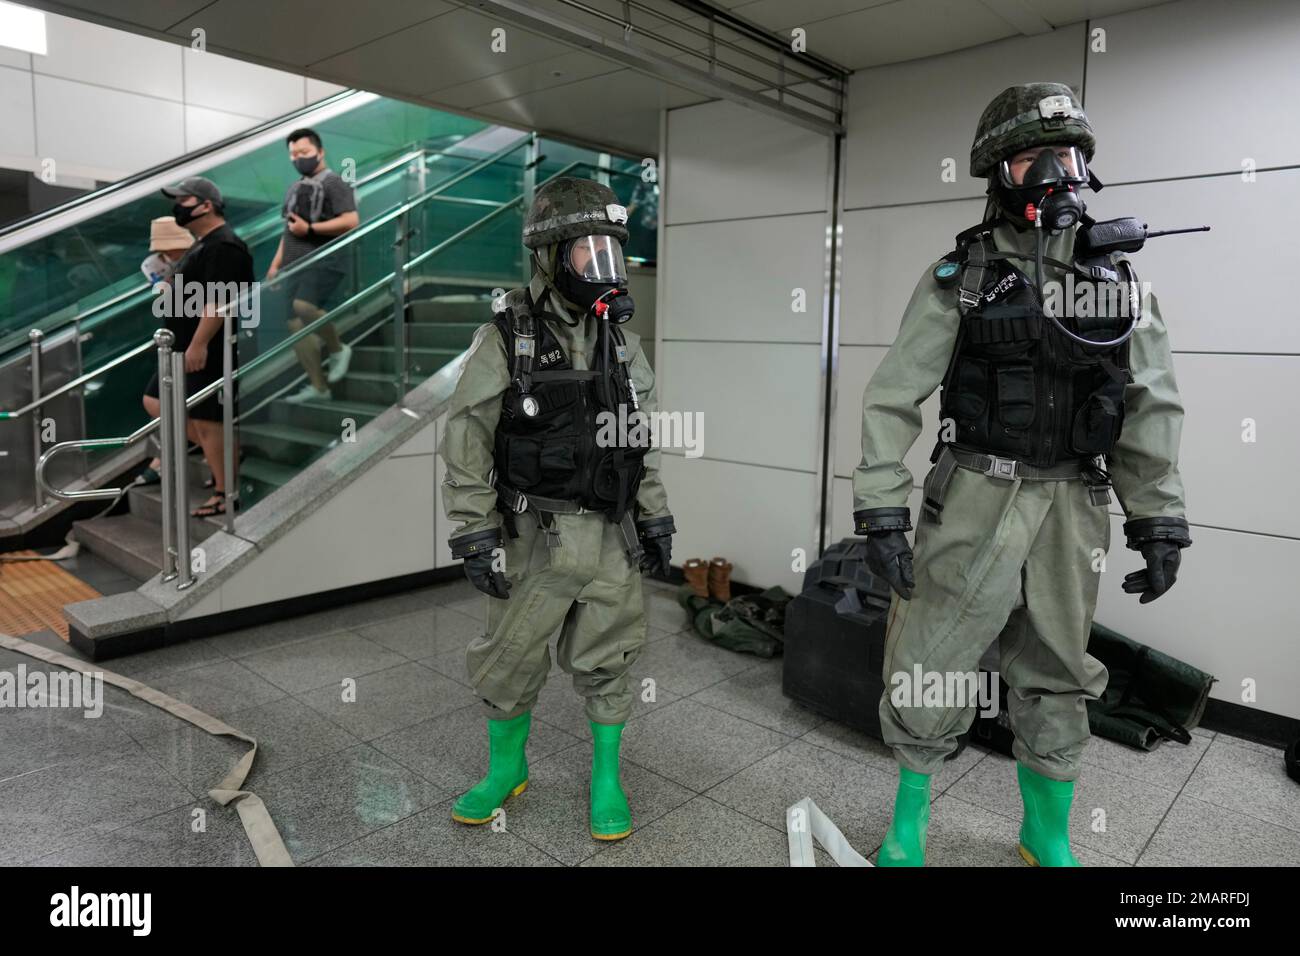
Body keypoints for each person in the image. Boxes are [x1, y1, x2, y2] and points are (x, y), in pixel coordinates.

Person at [852, 83, 1190, 866]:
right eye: (1035, 160)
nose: (1058, 177)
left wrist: (1158, 518)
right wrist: (881, 509)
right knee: (933, 658)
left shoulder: (1118, 286)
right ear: (998, 174)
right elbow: (893, 395)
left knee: (1059, 668)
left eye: (1070, 159)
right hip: (975, 492)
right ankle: (909, 825)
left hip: (1074, 503)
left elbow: (1151, 406)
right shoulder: (961, 279)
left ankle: (1046, 831)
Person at [439, 177, 675, 841]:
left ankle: (606, 777)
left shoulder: (622, 345)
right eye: (586, 252)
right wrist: (475, 533)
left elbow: (640, 441)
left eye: (611, 251)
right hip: (532, 535)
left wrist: (654, 514)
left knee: (612, 654)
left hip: (609, 534)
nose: (604, 267)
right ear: (549, 258)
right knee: (509, 657)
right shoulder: (505, 340)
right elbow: (466, 441)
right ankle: (506, 770)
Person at [143, 177, 253, 517]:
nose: (178, 207)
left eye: (184, 200)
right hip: (184, 345)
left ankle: (225, 493)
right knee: (156, 401)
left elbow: (220, 300)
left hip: (207, 347)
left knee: (207, 420)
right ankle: (225, 455)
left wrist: (199, 343)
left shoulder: (225, 246)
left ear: (206, 205)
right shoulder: (202, 245)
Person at [266, 127, 358, 403]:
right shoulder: (295, 188)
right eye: (293, 154)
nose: (298, 159)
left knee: (303, 307)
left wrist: (311, 228)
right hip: (294, 263)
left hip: (323, 260)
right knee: (295, 325)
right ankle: (319, 387)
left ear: (320, 151)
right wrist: (275, 265)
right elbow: (289, 229)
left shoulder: (334, 182)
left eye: (304, 152)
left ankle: (339, 348)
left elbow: (351, 221)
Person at [137, 216, 195, 485]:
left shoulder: (201, 260)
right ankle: (176, 452)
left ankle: (172, 455)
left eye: (171, 248)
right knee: (157, 400)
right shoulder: (165, 265)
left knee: (164, 401)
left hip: (195, 340)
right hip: (175, 339)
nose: (167, 254)